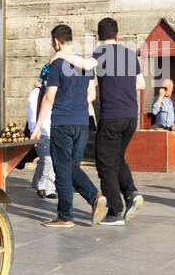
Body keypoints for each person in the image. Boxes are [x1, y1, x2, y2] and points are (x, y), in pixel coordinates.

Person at [57, 17, 146, 226]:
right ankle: (131, 193)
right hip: (131, 116)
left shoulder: (100, 52)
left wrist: (62, 54)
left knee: (105, 164)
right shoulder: (130, 54)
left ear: (98, 37)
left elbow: (86, 65)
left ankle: (115, 212)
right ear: (118, 35)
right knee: (116, 158)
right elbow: (140, 84)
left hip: (112, 116)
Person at [31, 23, 104, 227]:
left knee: (62, 170)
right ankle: (95, 197)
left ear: (56, 42)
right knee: (72, 167)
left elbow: (49, 98)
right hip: (81, 122)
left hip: (62, 123)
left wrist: (37, 127)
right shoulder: (83, 63)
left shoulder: (57, 64)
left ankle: (65, 216)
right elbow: (91, 95)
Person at [26, 63, 56, 198]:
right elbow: (31, 114)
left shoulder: (58, 92)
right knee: (47, 159)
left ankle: (49, 187)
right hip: (40, 131)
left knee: (52, 160)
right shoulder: (37, 93)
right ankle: (41, 185)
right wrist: (33, 130)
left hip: (55, 130)